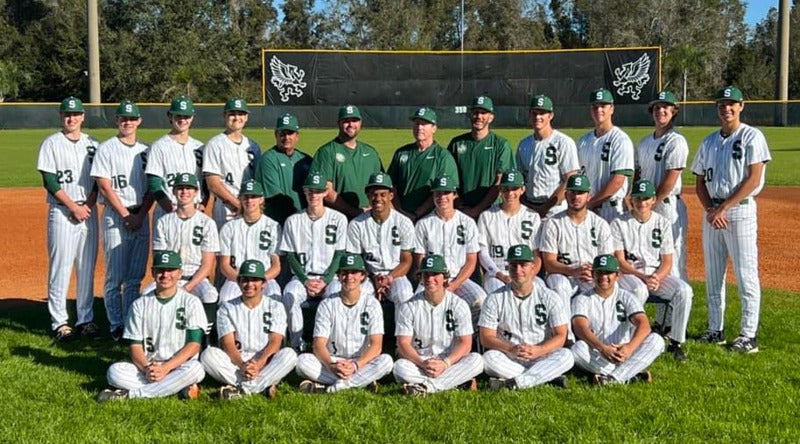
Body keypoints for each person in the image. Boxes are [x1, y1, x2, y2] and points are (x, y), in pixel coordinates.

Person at [691, 85, 771, 353]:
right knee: (714, 275)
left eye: (731, 104)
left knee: (746, 274)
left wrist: (724, 208)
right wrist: (711, 210)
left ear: (741, 106)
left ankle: (748, 335)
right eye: (722, 104)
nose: (726, 108)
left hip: (740, 211)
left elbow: (754, 178)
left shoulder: (752, 136)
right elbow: (699, 182)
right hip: (713, 213)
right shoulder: (709, 141)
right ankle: (716, 329)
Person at [96, 251, 207, 401]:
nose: (165, 274)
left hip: (179, 366)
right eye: (160, 270)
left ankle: (130, 395)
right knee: (114, 372)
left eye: (170, 270)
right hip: (150, 367)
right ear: (153, 272)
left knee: (196, 369)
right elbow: (135, 347)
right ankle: (176, 387)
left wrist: (166, 368)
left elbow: (194, 345)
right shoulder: (139, 305)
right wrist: (147, 369)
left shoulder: (191, 302)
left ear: (180, 273)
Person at [36, 96, 100, 342]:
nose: (71, 118)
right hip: (62, 212)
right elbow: (50, 182)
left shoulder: (93, 144)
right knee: (60, 267)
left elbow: (99, 180)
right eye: (67, 114)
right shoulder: (51, 143)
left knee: (86, 268)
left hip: (88, 212)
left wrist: (88, 206)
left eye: (75, 114)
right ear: (61, 117)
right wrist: (73, 206)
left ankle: (85, 320)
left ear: (83, 116)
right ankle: (60, 322)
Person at [91, 100, 153, 341]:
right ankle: (116, 323)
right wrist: (126, 215)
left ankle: (130, 322)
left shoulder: (147, 151)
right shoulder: (106, 148)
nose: (128, 122)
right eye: (123, 118)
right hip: (116, 216)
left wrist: (139, 214)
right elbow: (104, 186)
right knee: (115, 276)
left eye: (132, 118)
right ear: (117, 121)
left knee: (135, 277)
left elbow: (152, 188)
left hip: (141, 214)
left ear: (139, 121)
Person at [610, 179, 693, 361]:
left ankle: (676, 342)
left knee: (684, 291)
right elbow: (619, 261)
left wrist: (656, 277)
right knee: (638, 290)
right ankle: (631, 340)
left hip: (655, 275)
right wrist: (643, 276)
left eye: (646, 198)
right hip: (629, 274)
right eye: (638, 198)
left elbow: (668, 261)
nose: (642, 203)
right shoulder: (619, 223)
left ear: (653, 200)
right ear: (631, 200)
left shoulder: (663, 223)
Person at [480, 245, 574, 390]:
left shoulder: (550, 297)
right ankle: (546, 378)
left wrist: (540, 350)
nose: (518, 270)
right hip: (510, 357)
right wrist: (510, 348)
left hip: (542, 355)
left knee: (567, 356)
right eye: (513, 265)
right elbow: (486, 337)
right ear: (508, 267)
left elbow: (561, 335)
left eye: (523, 265)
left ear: (532, 267)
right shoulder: (494, 298)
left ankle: (514, 383)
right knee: (488, 358)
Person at [295, 254, 393, 393]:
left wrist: (355, 366)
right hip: (334, 361)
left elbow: (376, 345)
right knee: (302, 362)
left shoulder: (372, 304)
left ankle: (335, 387)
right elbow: (318, 345)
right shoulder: (327, 304)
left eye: (354, 272)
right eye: (344, 273)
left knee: (386, 361)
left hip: (361, 362)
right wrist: (331, 365)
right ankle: (361, 382)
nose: (349, 277)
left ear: (363, 276)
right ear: (339, 276)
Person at [200, 259, 297, 399]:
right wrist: (243, 365)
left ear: (263, 283)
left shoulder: (276, 306)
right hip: (237, 362)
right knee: (208, 355)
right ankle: (261, 387)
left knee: (290, 355)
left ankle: (242, 389)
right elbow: (228, 345)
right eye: (245, 280)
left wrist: (259, 364)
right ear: (238, 282)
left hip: (266, 361)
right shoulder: (227, 308)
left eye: (255, 280)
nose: (249, 284)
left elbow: (275, 342)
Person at [393, 254, 484, 396]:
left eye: (435, 274)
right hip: (422, 363)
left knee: (477, 361)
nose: (430, 279)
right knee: (399, 367)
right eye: (426, 275)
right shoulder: (408, 306)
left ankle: (425, 387)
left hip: (450, 362)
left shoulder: (459, 304)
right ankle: (455, 383)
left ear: (445, 278)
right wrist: (422, 363)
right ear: (421, 278)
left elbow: (465, 343)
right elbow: (403, 344)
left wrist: (445, 363)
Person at [571, 254, 664, 385]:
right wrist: (603, 348)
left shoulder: (627, 296)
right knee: (577, 349)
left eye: (608, 273)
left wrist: (629, 348)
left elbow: (644, 325)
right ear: (593, 275)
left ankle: (611, 378)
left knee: (657, 340)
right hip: (597, 352)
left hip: (624, 353)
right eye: (599, 272)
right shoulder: (582, 299)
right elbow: (580, 328)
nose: (604, 277)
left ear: (617, 275)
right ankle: (630, 375)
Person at [280, 171, 348, 350]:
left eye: (318, 191)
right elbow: (290, 256)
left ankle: (333, 345)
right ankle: (296, 344)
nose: (314, 195)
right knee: (290, 295)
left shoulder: (339, 219)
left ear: (325, 192)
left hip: (330, 277)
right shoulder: (293, 221)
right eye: (310, 191)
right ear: (304, 191)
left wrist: (325, 280)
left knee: (337, 296)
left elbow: (339, 254)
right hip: (302, 277)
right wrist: (305, 280)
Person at [149, 173, 219, 328]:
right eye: (180, 188)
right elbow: (159, 260)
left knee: (210, 295)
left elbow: (207, 266)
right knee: (146, 295)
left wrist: (187, 287)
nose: (184, 192)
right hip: (169, 277)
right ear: (173, 192)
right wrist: (172, 284)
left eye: (189, 188)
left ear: (196, 193)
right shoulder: (163, 222)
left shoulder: (207, 223)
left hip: (197, 278)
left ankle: (205, 341)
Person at [414, 175, 486, 323]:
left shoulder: (467, 223)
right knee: (416, 305)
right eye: (437, 193)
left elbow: (471, 261)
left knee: (480, 300)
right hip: (430, 279)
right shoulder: (423, 224)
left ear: (454, 194)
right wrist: (432, 281)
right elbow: (420, 259)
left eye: (446, 192)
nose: (442, 197)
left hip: (459, 278)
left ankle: (471, 340)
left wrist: (454, 284)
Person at [635, 91, 689, 281]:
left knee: (673, 261)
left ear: (674, 111)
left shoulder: (676, 141)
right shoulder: (643, 143)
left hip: (667, 206)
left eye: (666, 107)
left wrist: (650, 203)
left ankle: (680, 304)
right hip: (647, 207)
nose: (661, 111)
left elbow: (670, 179)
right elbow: (637, 176)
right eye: (657, 107)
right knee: (650, 258)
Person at [539, 174, 613, 312]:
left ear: (589, 195)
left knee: (605, 285)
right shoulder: (553, 223)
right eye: (573, 192)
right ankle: (566, 332)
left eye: (581, 192)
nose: (576, 197)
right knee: (560, 285)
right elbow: (549, 263)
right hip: (563, 274)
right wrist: (573, 271)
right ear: (566, 195)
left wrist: (594, 272)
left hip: (591, 274)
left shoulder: (600, 224)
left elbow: (608, 260)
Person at [346, 172, 415, 304]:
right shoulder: (356, 224)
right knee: (358, 294)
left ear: (391, 196)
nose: (378, 199)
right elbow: (355, 260)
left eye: (383, 194)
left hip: (396, 274)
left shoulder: (403, 222)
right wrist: (374, 278)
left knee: (404, 293)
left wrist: (389, 278)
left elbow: (406, 260)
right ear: (368, 196)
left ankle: (401, 326)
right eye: (374, 194)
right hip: (367, 275)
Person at [447, 95, 515, 219]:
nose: (479, 116)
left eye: (483, 113)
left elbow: (500, 182)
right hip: (462, 210)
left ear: (491, 117)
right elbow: (448, 178)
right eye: (475, 112)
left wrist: (477, 210)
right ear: (470, 114)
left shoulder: (500, 144)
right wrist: (458, 204)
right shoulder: (456, 143)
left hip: (491, 211)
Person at [311, 105, 383, 220]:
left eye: (354, 120)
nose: (351, 125)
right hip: (339, 219)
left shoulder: (370, 153)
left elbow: (382, 188)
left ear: (360, 123)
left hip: (369, 218)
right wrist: (356, 212)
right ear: (339, 123)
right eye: (346, 121)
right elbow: (325, 191)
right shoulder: (326, 152)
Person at [477, 169, 542, 295]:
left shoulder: (532, 216)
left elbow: (537, 254)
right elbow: (483, 254)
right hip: (496, 273)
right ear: (500, 190)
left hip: (525, 272)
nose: (510, 193)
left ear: (522, 190)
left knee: (540, 290)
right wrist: (500, 275)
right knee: (497, 293)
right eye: (505, 189)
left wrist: (530, 274)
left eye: (514, 189)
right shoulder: (486, 216)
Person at [387, 107, 458, 221]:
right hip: (401, 217)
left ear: (434, 128)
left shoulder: (443, 156)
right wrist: (399, 211)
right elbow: (391, 186)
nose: (419, 127)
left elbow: (445, 191)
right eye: (417, 123)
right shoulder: (401, 153)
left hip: (430, 218)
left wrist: (416, 214)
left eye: (424, 124)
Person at [217, 180, 282, 304]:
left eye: (253, 197)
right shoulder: (229, 227)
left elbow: (276, 266)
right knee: (225, 298)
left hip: (265, 277)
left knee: (275, 295)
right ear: (240, 199)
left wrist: (259, 280)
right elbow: (224, 265)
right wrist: (242, 280)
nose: (249, 201)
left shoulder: (273, 226)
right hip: (236, 278)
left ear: (261, 199)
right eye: (246, 197)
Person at [145, 96, 206, 225]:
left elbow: (206, 182)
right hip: (167, 210)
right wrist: (170, 209)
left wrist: (203, 205)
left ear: (192, 117)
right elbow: (154, 183)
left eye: (186, 116)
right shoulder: (158, 146)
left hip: (195, 210)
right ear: (170, 116)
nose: (182, 120)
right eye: (178, 116)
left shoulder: (200, 147)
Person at [516, 94, 580, 218]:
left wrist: (545, 207)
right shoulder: (524, 144)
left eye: (542, 113)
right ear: (529, 114)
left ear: (550, 115)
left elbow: (570, 180)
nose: (538, 117)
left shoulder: (563, 142)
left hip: (556, 209)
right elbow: (520, 179)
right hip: (529, 209)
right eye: (534, 113)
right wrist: (527, 205)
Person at [575, 88, 634, 222]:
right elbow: (578, 175)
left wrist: (591, 203)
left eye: (603, 106)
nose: (599, 110)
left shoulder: (620, 140)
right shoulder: (583, 141)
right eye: (595, 106)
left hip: (611, 209)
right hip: (587, 208)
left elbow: (618, 180)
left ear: (612, 108)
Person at [203, 97, 262, 229]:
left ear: (246, 117)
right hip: (226, 208)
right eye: (232, 114)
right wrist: (238, 205)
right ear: (225, 116)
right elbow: (213, 184)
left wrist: (250, 205)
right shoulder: (215, 144)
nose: (236, 118)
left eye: (240, 114)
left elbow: (259, 180)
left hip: (251, 204)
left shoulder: (253, 146)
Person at [254, 113, 312, 226]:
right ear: (276, 135)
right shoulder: (268, 159)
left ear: (297, 136)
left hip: (304, 220)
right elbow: (275, 197)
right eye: (282, 134)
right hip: (278, 221)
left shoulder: (305, 159)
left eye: (290, 133)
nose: (286, 138)